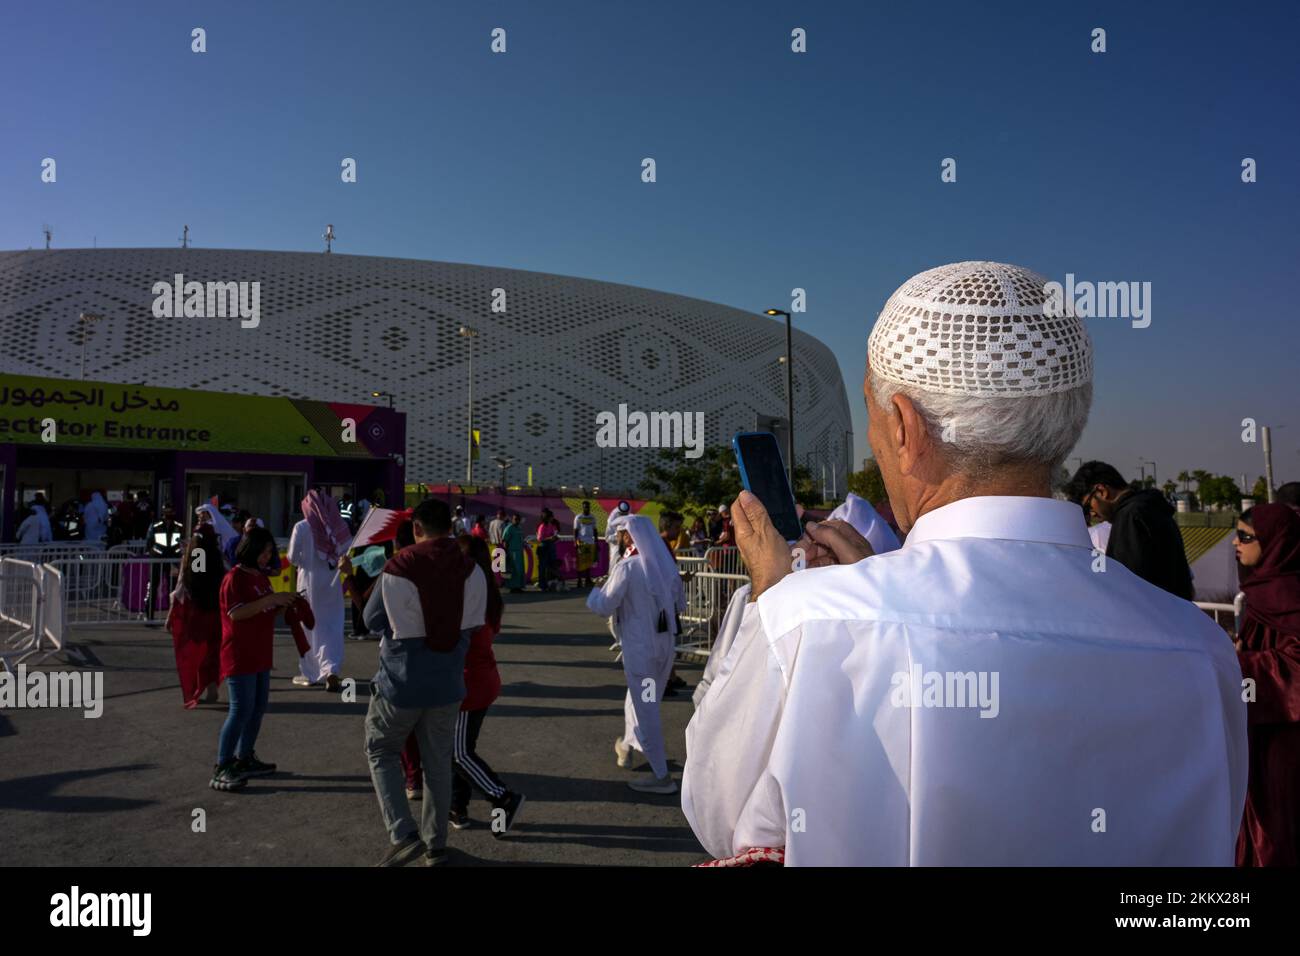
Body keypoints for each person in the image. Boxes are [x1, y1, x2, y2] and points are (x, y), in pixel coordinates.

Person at [682, 261, 1246, 865]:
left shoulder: (805, 624)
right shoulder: (1200, 649)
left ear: (904, 427)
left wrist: (776, 597)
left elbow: (718, 815)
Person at [362, 499, 485, 867]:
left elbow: (371, 620)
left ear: (416, 528)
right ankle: (436, 846)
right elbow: (475, 626)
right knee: (438, 765)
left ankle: (403, 834)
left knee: (381, 750)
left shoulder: (397, 567)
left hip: (402, 681)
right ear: (450, 525)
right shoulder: (473, 570)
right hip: (448, 683)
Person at [586, 514, 686, 794]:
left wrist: (595, 590)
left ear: (628, 536)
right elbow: (681, 602)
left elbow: (604, 606)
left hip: (641, 651)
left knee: (646, 709)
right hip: (664, 648)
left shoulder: (628, 567)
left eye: (619, 534)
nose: (618, 539)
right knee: (639, 699)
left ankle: (661, 775)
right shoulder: (663, 566)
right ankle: (628, 743)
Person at [1232, 503, 1300, 866]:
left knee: (1275, 825)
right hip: (1262, 727)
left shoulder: (1288, 594)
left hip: (1284, 739)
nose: (1235, 543)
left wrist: (1236, 663)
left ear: (1276, 542)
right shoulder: (1263, 588)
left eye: (1245, 536)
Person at [210, 526, 295, 791]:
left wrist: (283, 604)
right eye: (263, 551)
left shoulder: (259, 577)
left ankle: (245, 756)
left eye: (269, 552)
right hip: (239, 653)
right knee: (240, 710)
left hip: (260, 652)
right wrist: (272, 599)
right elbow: (236, 614)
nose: (266, 556)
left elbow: (263, 611)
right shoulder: (234, 578)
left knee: (257, 708)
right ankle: (223, 764)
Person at [451, 534, 526, 833]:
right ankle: (458, 807)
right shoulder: (487, 591)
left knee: (458, 753)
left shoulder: (468, 595)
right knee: (460, 747)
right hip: (482, 679)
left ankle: (503, 798)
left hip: (469, 683)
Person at [1069, 461, 1194, 600]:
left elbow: (1129, 586)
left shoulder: (1129, 517)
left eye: (1087, 507)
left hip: (1152, 616)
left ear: (1101, 491)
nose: (1092, 514)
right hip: (1174, 612)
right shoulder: (1153, 507)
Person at [288, 490, 352, 692]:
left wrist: (304, 562)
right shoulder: (338, 526)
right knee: (332, 626)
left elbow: (291, 557)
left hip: (308, 583)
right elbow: (345, 551)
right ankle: (331, 669)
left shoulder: (301, 527)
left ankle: (310, 673)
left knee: (309, 627)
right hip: (332, 584)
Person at [166, 523, 224, 709]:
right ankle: (211, 688)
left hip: (200, 610)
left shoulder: (198, 553)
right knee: (212, 651)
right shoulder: (216, 554)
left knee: (198, 652)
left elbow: (194, 581)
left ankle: (199, 689)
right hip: (215, 610)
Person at [573, 501, 599, 588]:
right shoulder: (578, 517)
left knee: (588, 562)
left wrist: (596, 542)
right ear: (582, 507)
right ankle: (579, 581)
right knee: (580, 562)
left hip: (590, 542)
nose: (587, 508)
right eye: (585, 507)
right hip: (581, 542)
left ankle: (588, 580)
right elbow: (576, 530)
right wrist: (575, 542)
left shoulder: (592, 517)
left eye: (588, 507)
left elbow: (595, 530)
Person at [536, 508, 560, 591]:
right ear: (548, 517)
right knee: (542, 567)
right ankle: (542, 585)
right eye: (551, 517)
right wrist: (550, 538)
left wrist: (555, 538)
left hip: (550, 548)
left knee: (552, 566)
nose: (553, 518)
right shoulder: (542, 526)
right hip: (543, 548)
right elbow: (540, 539)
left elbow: (553, 535)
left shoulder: (552, 525)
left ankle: (550, 584)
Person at [502, 514, 526, 593]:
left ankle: (518, 586)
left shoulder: (519, 528)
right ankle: (513, 587)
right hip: (512, 552)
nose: (517, 521)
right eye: (515, 519)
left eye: (518, 519)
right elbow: (505, 541)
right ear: (512, 519)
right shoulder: (509, 528)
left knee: (520, 570)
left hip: (519, 552)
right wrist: (506, 552)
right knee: (514, 570)